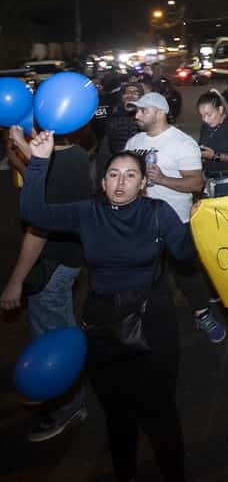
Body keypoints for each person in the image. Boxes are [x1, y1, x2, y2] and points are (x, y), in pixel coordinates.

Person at [20, 135, 192, 482]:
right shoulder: (87, 212)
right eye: (113, 174)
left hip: (153, 321)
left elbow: (187, 256)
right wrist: (38, 161)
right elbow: (33, 212)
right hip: (103, 325)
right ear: (103, 181)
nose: (120, 182)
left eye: (130, 175)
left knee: (160, 412)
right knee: (118, 413)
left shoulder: (159, 213)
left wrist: (200, 228)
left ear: (144, 183)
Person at [2, 126, 90, 441]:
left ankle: (67, 406)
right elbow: (28, 166)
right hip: (69, 260)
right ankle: (69, 398)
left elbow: (38, 232)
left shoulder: (58, 167)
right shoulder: (76, 157)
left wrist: (15, 282)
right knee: (60, 329)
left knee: (54, 339)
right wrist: (21, 149)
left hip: (52, 266)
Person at [125, 92, 225, 344]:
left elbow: (196, 183)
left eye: (142, 110)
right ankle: (142, 320)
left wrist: (162, 179)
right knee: (144, 275)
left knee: (187, 274)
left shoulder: (182, 143)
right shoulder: (133, 141)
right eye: (136, 111)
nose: (136, 115)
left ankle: (202, 313)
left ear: (159, 111)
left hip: (175, 223)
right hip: (140, 221)